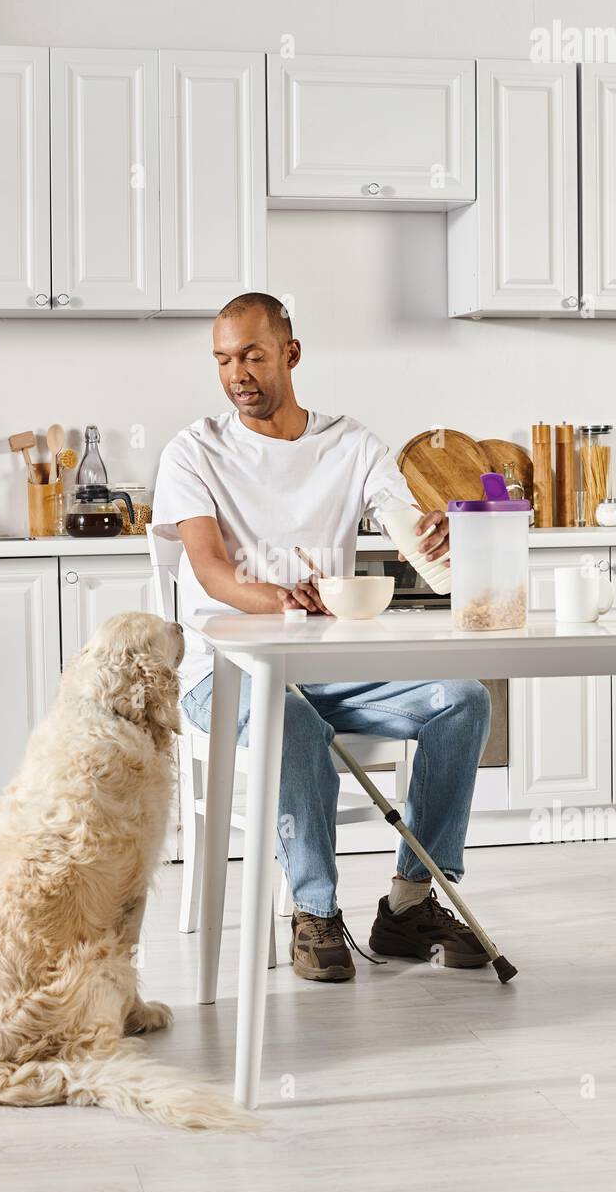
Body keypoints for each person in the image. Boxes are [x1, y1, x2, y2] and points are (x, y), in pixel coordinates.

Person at [151, 293, 491, 982]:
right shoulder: (194, 450)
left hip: (329, 663)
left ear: (290, 354)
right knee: (292, 718)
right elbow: (213, 573)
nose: (236, 372)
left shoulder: (351, 444)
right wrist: (274, 600)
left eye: (251, 354)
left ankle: (408, 904)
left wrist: (432, 536)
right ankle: (315, 913)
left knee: (463, 698)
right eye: (223, 359)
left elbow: (403, 524)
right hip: (224, 673)